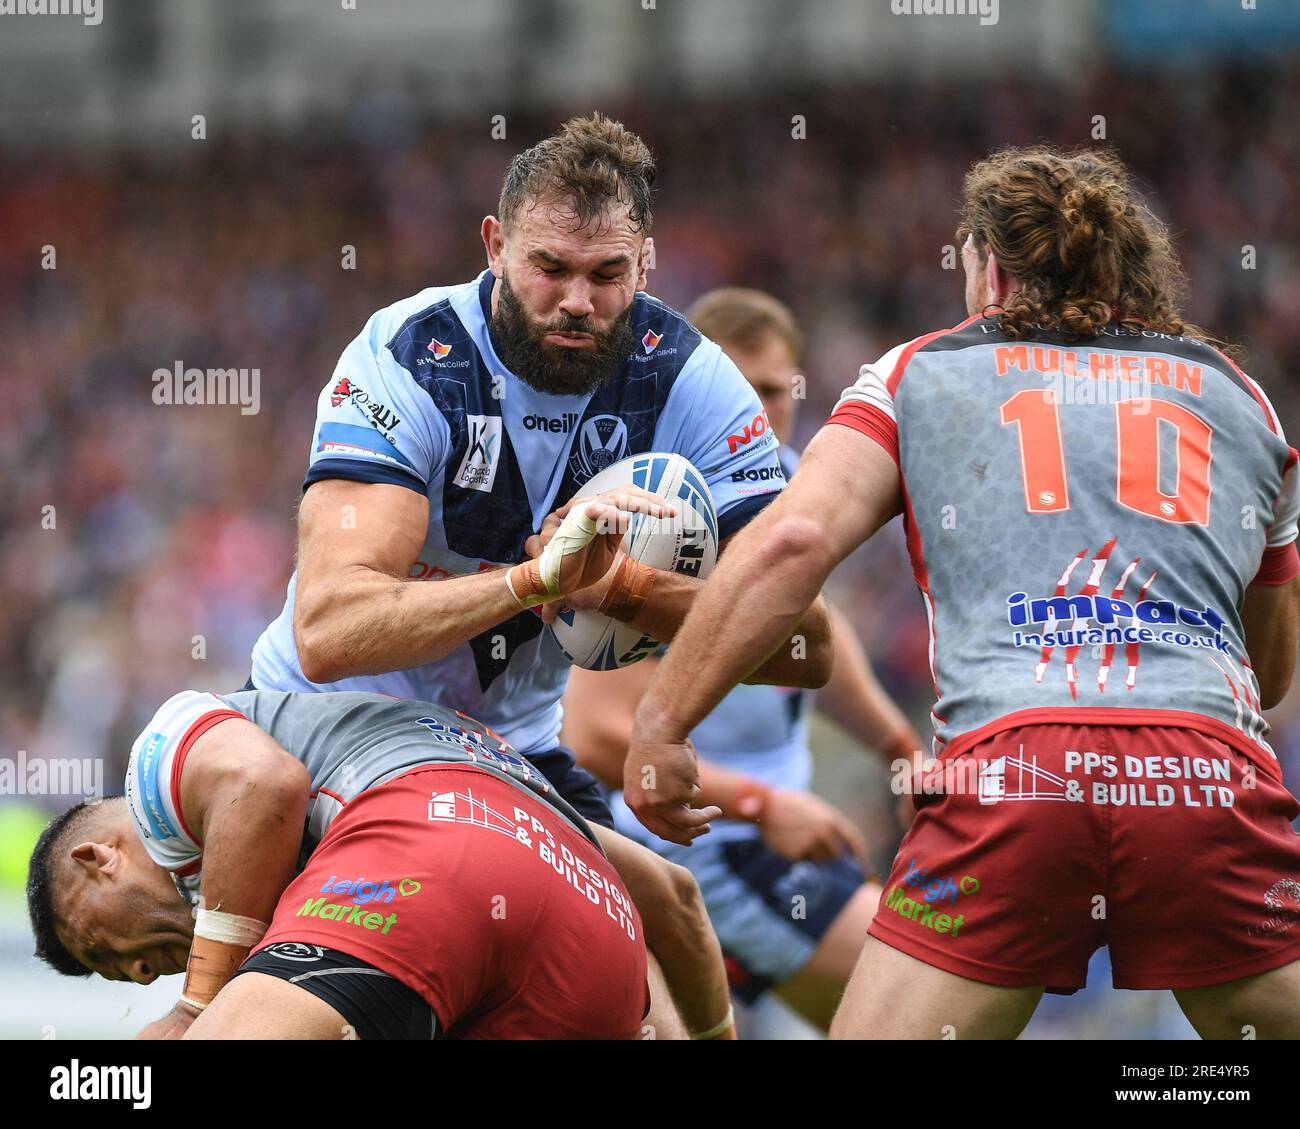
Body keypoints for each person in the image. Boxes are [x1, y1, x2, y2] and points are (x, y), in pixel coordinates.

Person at [623, 145, 1300, 1039]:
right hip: (1204, 776)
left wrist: (662, 722)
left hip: (1016, 778)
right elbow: (1270, 664)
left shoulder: (918, 373)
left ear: (987, 264)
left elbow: (791, 540)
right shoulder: (1239, 394)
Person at [244, 113, 834, 1038]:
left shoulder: (691, 381)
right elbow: (328, 630)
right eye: (548, 267)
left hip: (515, 754)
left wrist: (619, 591)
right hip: (328, 728)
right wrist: (534, 583)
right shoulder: (408, 359)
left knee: (659, 941)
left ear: (646, 262)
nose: (575, 301)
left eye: (606, 276)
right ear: (494, 244)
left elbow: (807, 644)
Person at [563, 288, 919, 1030]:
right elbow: (595, 734)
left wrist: (896, 742)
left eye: (774, 389)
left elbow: (814, 635)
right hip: (709, 847)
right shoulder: (661, 511)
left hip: (781, 834)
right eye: (740, 389)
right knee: (921, 984)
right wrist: (762, 805)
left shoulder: (787, 481)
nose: (759, 411)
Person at [27, 688, 648, 1040]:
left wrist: (195, 1009)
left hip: (433, 848)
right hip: (603, 931)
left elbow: (267, 784)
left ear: (98, 858)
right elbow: (672, 892)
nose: (135, 974)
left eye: (100, 948)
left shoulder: (158, 773)